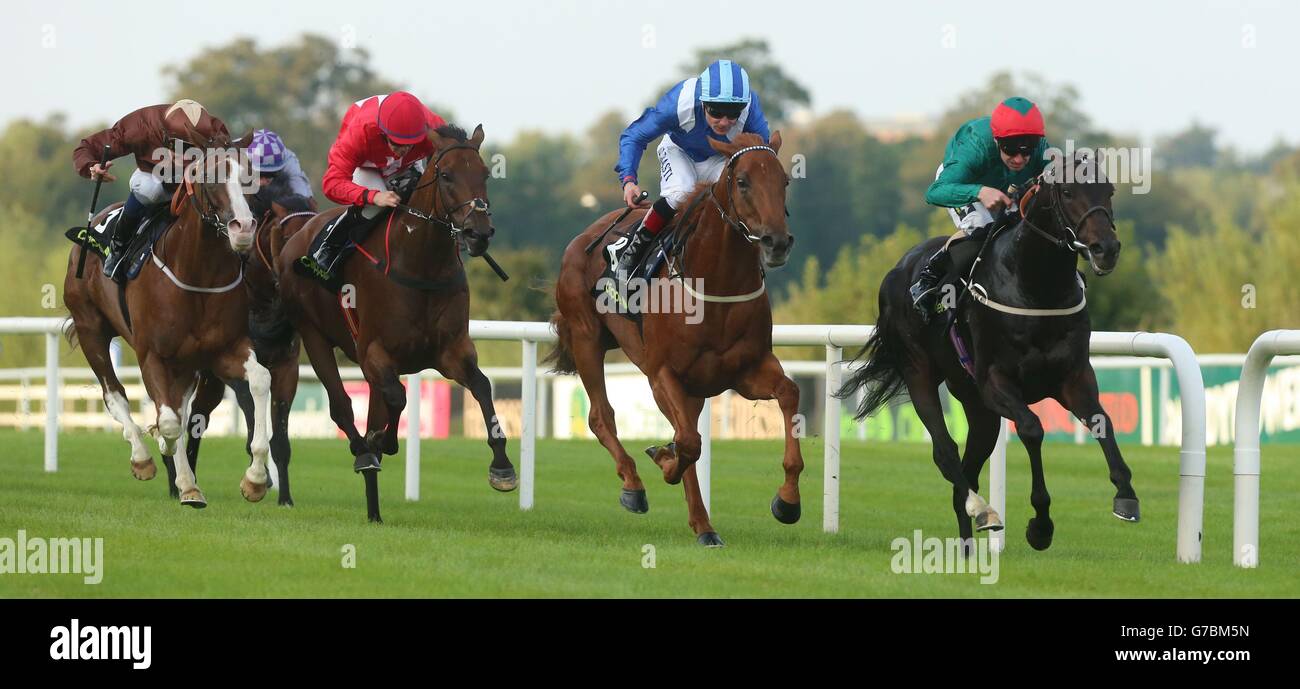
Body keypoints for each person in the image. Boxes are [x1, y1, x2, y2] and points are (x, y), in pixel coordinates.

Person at [611, 59, 770, 287]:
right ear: (703, 103)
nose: (724, 122)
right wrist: (628, 180)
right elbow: (634, 136)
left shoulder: (750, 109)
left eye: (733, 112)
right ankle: (631, 252)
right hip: (679, 150)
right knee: (681, 193)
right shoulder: (680, 103)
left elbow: (762, 155)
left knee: (735, 198)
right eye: (716, 111)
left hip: (719, 157)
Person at [909, 96, 1053, 321]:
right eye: (1011, 150)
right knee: (981, 226)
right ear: (997, 141)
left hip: (1003, 187)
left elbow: (1065, 176)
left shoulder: (1041, 149)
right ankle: (930, 275)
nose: (1019, 159)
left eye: (1027, 151)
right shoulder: (975, 145)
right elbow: (934, 192)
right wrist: (979, 192)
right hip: (961, 184)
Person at [295, 91, 446, 285]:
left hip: (407, 166)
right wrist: (373, 196)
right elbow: (331, 183)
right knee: (377, 206)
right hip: (368, 166)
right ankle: (327, 249)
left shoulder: (434, 127)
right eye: (397, 144)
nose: (403, 150)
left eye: (410, 145)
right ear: (383, 133)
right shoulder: (359, 131)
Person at [73, 99, 230, 281]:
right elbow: (88, 146)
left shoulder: (217, 131)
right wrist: (91, 166)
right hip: (154, 175)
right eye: (177, 146)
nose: (183, 155)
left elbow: (233, 163)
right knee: (151, 189)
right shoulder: (141, 126)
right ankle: (118, 244)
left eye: (191, 148)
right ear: (164, 135)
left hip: (197, 179)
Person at [245, 129, 317, 217]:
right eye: (259, 174)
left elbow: (302, 195)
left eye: (270, 175)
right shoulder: (235, 153)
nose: (263, 181)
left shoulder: (289, 161)